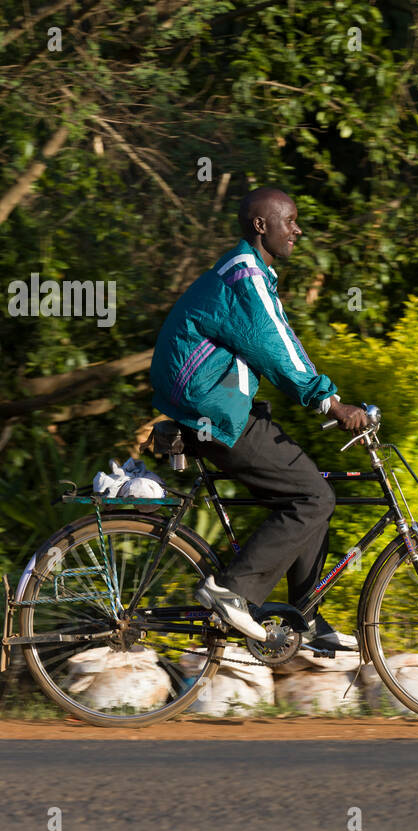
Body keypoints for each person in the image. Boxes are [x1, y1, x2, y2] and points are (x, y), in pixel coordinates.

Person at [149, 186, 370, 649]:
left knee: (311, 494)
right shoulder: (244, 276)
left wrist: (327, 397)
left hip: (217, 404)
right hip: (210, 410)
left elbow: (288, 344)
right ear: (260, 226)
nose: (298, 229)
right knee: (312, 498)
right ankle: (232, 591)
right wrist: (331, 403)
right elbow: (278, 352)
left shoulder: (254, 276)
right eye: (289, 220)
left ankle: (303, 618)